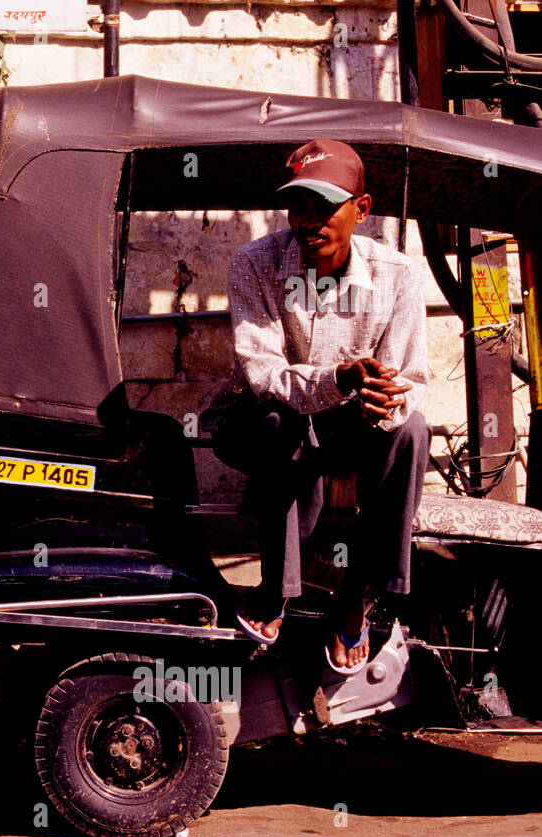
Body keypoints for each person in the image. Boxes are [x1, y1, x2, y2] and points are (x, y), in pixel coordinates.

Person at [209, 139, 430, 674]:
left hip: (344, 426)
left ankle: (357, 592)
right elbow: (263, 374)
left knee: (413, 431)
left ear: (362, 209)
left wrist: (383, 401)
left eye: (324, 206)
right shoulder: (254, 263)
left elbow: (409, 379)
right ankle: (277, 587)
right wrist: (339, 378)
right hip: (261, 419)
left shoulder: (396, 274)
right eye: (298, 205)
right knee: (277, 419)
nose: (309, 220)